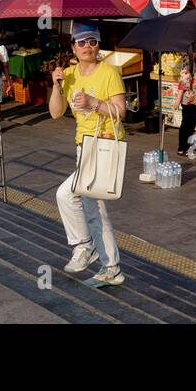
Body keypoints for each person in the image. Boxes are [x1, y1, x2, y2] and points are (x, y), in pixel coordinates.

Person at [50, 22, 127, 289]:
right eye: (81, 42)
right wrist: (56, 85)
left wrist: (94, 103)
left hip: (103, 146)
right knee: (94, 208)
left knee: (67, 194)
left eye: (93, 41)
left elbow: (121, 111)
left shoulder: (109, 73)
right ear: (73, 46)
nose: (87, 47)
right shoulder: (69, 74)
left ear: (98, 45)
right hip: (83, 147)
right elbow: (56, 113)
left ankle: (86, 247)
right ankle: (110, 267)